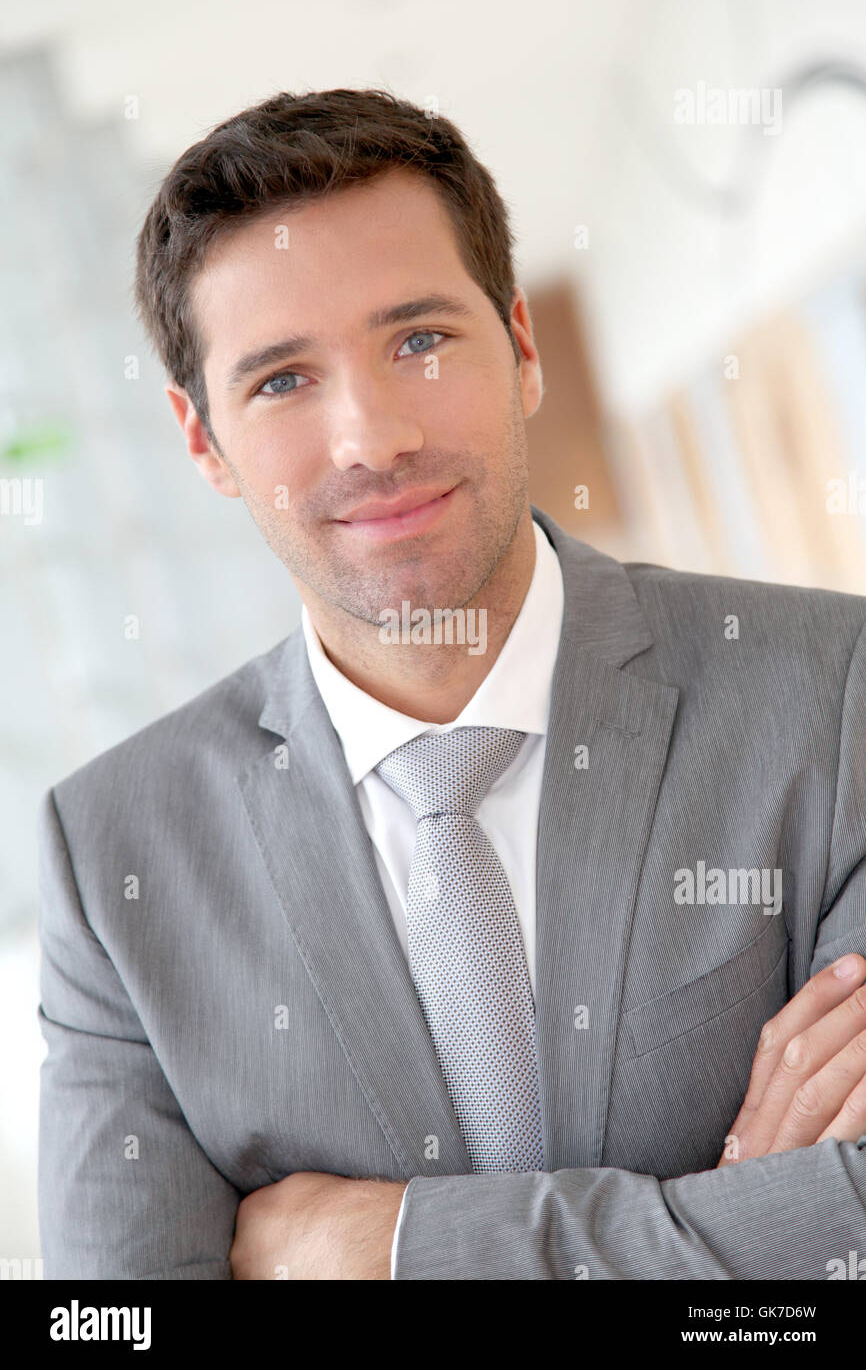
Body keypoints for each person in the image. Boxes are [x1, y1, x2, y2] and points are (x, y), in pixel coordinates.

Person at [37, 88, 866, 1280]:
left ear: (521, 347)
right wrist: (725, 1229)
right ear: (202, 442)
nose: (369, 437)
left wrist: (383, 1247)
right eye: (279, 381)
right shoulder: (113, 855)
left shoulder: (829, 696)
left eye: (417, 339)